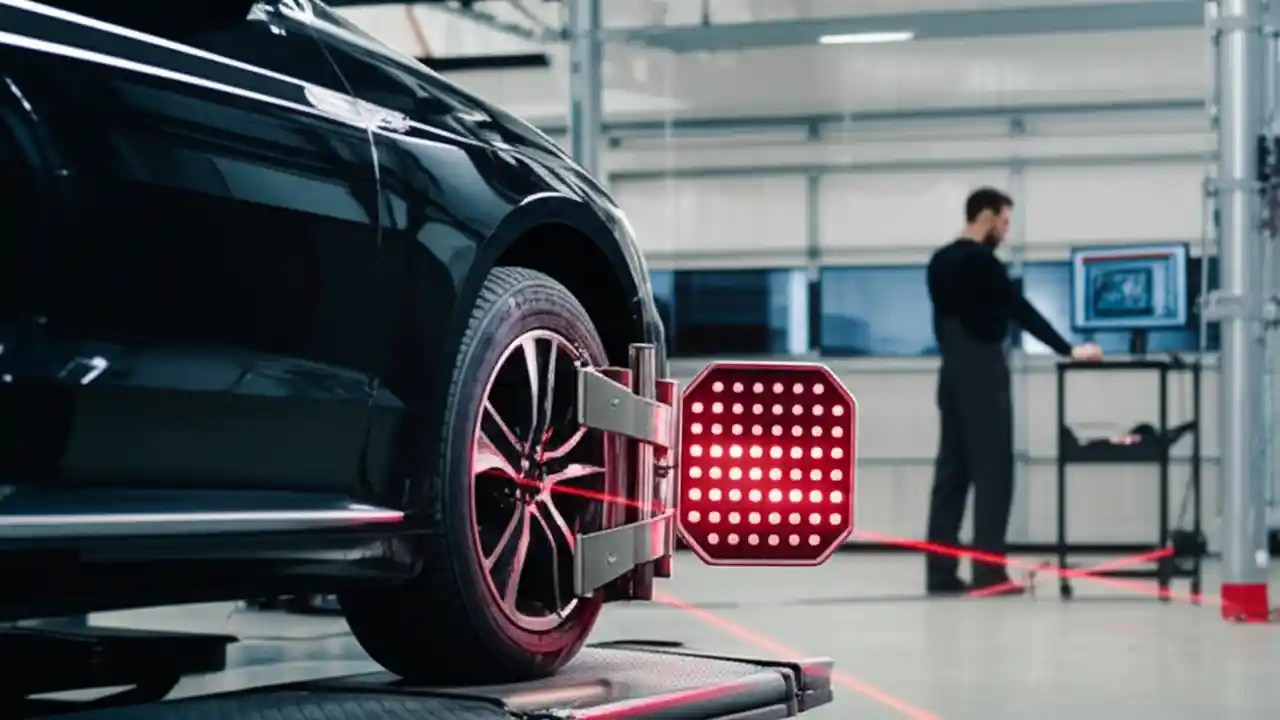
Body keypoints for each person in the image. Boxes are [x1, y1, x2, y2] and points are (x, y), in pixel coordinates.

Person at [924, 187, 1102, 596]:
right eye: (1004, 222)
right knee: (993, 475)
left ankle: (940, 574)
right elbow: (1020, 309)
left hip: (951, 376)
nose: (1005, 232)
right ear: (986, 217)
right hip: (983, 376)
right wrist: (1068, 349)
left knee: (951, 476)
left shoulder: (939, 261)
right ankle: (988, 574)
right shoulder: (982, 263)